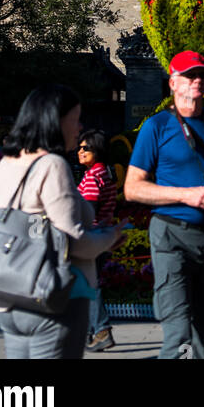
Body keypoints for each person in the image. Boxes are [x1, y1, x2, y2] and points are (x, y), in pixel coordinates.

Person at [124, 50, 204, 359]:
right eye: (190, 75)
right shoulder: (157, 126)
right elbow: (132, 188)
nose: (198, 80)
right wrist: (186, 195)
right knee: (179, 333)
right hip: (171, 235)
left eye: (202, 75)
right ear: (173, 84)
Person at [0, 84, 123, 359]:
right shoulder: (52, 165)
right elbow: (73, 242)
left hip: (10, 296)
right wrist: (110, 236)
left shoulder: (7, 163)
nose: (79, 127)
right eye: (75, 119)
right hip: (54, 297)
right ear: (56, 121)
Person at [76, 129, 118, 352]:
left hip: (92, 236)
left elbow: (88, 212)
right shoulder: (105, 173)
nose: (80, 151)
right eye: (79, 147)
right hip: (104, 236)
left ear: (98, 150)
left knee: (88, 284)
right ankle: (92, 331)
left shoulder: (93, 176)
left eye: (86, 148)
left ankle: (101, 329)